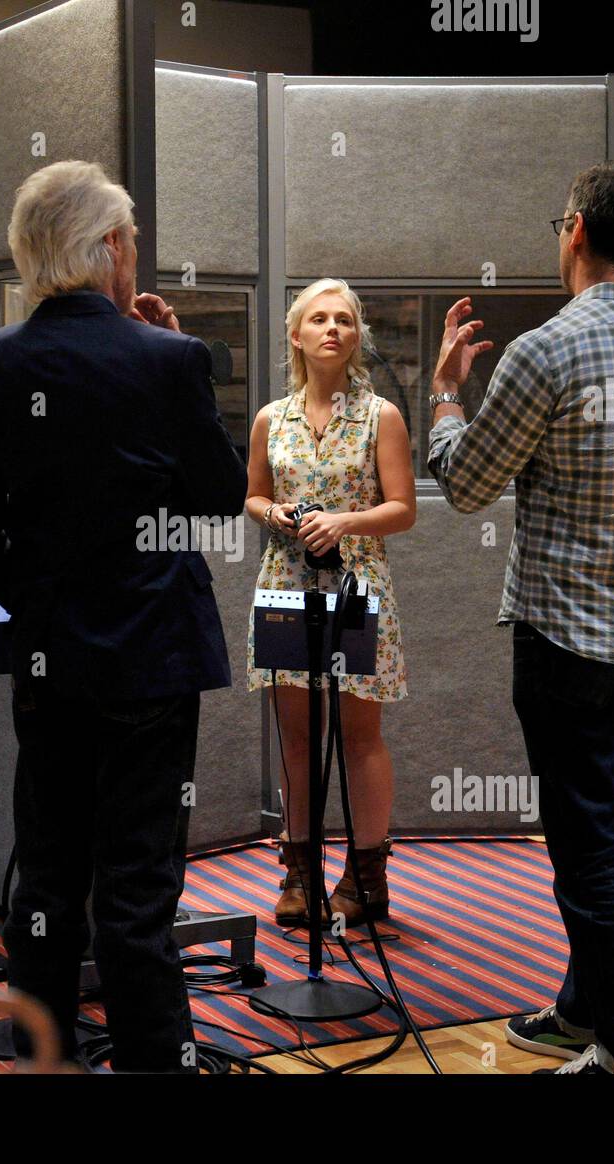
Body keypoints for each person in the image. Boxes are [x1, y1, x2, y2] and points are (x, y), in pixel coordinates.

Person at [0, 159, 246, 1072]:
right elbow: (223, 496)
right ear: (110, 247)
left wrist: (38, 595)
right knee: (138, 886)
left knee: (48, 876)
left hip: (49, 664)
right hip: (154, 658)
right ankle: (155, 1057)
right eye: (132, 243)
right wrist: (180, 363)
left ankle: (45, 1051)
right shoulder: (169, 359)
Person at [426, 161, 614, 1075]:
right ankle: (581, 1010)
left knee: (591, 856)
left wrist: (445, 396)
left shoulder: (547, 350)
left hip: (564, 643)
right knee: (610, 832)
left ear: (577, 233)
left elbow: (468, 483)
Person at [243, 278, 415, 928]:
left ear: (356, 335)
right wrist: (277, 512)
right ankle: (298, 874)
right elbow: (253, 496)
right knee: (295, 735)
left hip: (355, 588)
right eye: (319, 318)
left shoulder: (381, 416)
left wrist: (343, 522)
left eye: (343, 319)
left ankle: (367, 878)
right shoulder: (271, 418)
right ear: (296, 334)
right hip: (286, 583)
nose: (332, 328)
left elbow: (403, 510)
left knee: (361, 736)